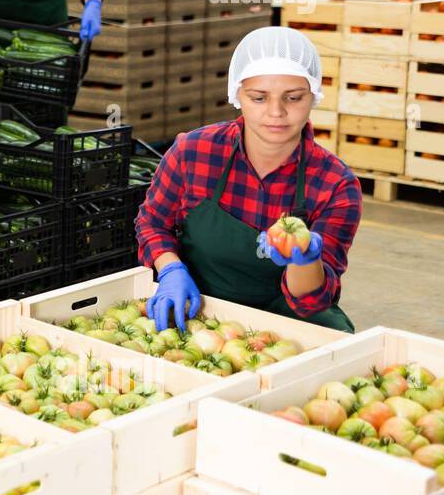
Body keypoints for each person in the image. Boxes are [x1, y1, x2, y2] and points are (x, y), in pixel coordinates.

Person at [135, 27, 361, 334]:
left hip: (288, 322)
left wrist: (306, 260)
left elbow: (310, 303)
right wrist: (171, 269)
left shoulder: (335, 184)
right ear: (237, 95)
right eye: (259, 97)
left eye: (293, 98)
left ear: (314, 97)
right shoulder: (194, 152)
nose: (276, 112)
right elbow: (152, 222)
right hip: (201, 306)